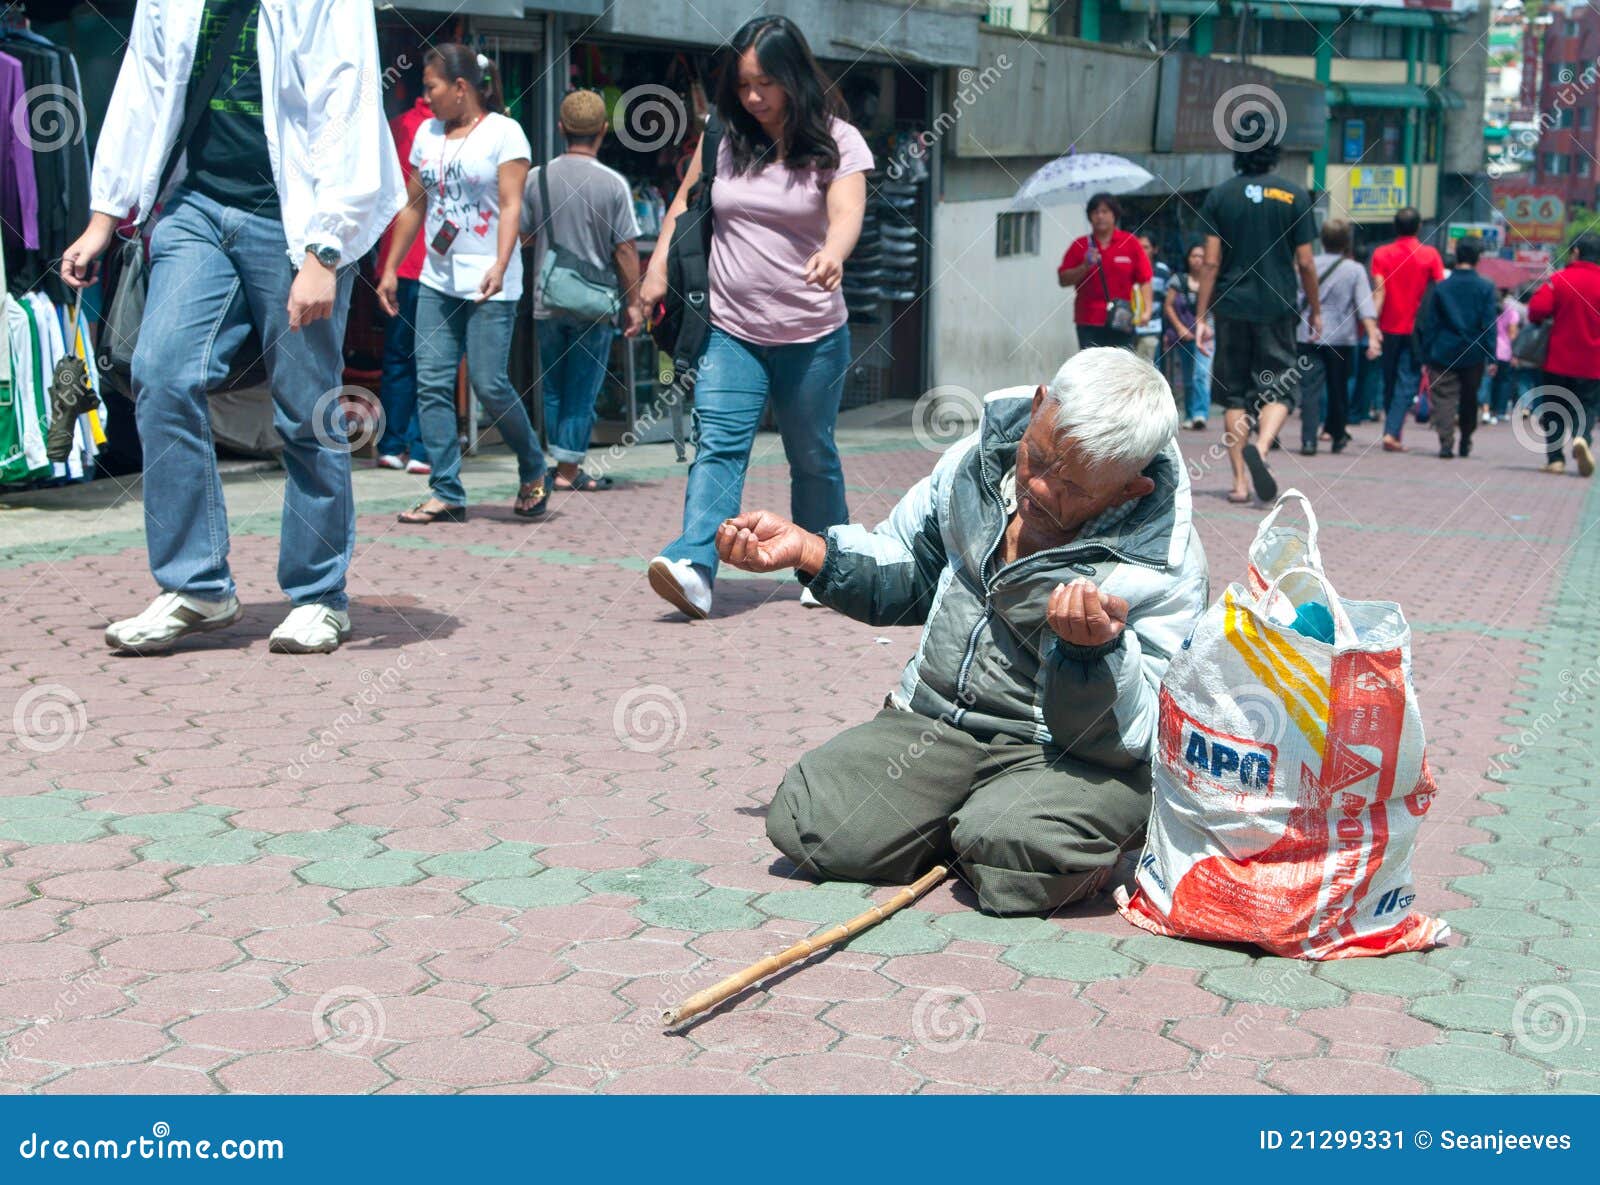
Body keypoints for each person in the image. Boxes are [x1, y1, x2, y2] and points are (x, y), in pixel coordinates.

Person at [715, 349, 1208, 915]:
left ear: (1128, 490)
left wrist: (1095, 657)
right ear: (1038, 407)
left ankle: (1008, 829)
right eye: (1037, 457)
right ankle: (967, 824)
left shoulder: (1164, 567)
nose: (1040, 489)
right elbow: (910, 565)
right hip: (934, 728)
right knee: (812, 820)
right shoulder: (970, 468)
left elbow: (1144, 731)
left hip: (1061, 757)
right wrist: (809, 551)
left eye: (1074, 487)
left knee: (1020, 853)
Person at [63, 0, 404, 656]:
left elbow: (349, 97)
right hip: (196, 205)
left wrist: (326, 248)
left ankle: (319, 594)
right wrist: (105, 215)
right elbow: (144, 84)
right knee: (161, 374)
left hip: (297, 216)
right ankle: (196, 584)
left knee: (306, 409)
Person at [641, 15, 870, 619]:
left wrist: (833, 253)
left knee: (811, 453)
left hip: (813, 333)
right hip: (730, 330)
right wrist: (656, 268)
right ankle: (694, 567)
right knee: (717, 445)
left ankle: (826, 566)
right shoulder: (723, 135)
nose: (753, 97)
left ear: (794, 77)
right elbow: (684, 204)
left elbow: (848, 211)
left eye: (766, 83)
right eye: (743, 84)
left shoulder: (838, 140)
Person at [378, 45, 544, 524]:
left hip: (491, 280)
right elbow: (414, 205)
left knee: (490, 383)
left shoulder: (505, 133)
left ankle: (533, 465)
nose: (426, 96)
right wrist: (390, 268)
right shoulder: (428, 134)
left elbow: (511, 205)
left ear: (460, 87)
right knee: (432, 382)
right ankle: (446, 490)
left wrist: (502, 262)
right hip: (437, 278)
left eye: (431, 87)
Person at [522, 89, 643, 493]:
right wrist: (634, 303)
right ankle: (569, 470)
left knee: (554, 386)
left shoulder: (536, 178)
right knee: (583, 388)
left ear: (561, 128)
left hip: (548, 299)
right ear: (603, 130)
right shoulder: (613, 184)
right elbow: (625, 250)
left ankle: (559, 463)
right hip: (594, 304)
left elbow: (523, 235)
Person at [1194, 136, 1320, 504]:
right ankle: (1262, 448)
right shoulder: (1294, 196)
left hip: (1231, 306)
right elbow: (1306, 262)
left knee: (1234, 395)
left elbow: (1211, 262)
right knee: (1281, 387)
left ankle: (1238, 484)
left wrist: (1201, 316)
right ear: (1274, 156)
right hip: (1277, 306)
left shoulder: (1220, 197)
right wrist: (1316, 309)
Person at [374, 88, 435, 476]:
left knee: (397, 356)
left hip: (396, 260)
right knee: (433, 362)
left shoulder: (396, 127)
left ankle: (392, 444)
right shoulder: (451, 132)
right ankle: (422, 448)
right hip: (435, 264)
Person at [1296, 219, 1380, 456]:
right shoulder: (1354, 269)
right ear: (1346, 242)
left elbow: (1296, 299)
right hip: (1342, 337)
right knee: (1339, 387)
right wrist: (1372, 334)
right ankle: (1338, 435)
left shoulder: (1307, 264)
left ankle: (1308, 440)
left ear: (1322, 240)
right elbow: (1364, 305)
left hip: (1308, 334)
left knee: (1310, 389)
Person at [1415, 238, 1498, 459]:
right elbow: (1489, 324)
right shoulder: (1486, 287)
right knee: (1470, 397)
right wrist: (1492, 356)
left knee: (1444, 398)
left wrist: (1425, 354)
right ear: (1478, 258)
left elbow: (1430, 323)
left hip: (1443, 350)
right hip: (1474, 352)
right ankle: (1466, 438)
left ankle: (1446, 441)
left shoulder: (1441, 287)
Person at [1371, 206, 1445, 453]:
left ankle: (1391, 430)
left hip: (1387, 325)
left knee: (1389, 379)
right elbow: (1439, 291)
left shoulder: (1381, 254)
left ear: (1395, 226)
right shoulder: (1430, 255)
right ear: (1419, 227)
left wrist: (1371, 325)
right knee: (1409, 380)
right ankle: (1392, 432)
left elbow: (1379, 291)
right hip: (1416, 328)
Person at [1527, 233, 1600, 477]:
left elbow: (1536, 310)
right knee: (1587, 406)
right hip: (1593, 362)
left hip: (1558, 359)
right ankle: (1582, 438)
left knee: (1554, 406)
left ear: (1576, 252)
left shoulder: (1559, 280)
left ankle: (1556, 459)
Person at [1057, 194, 1152, 351]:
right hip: (1089, 320)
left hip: (1122, 318)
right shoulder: (1080, 245)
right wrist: (1085, 266)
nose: (1100, 216)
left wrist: (1147, 311)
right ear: (1089, 217)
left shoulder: (1130, 243)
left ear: (1114, 215)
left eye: (1105, 211)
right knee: (1092, 365)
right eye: (1095, 212)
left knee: (1121, 364)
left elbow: (1145, 279)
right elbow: (1063, 280)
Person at [1164, 242, 1212, 430]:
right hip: (1184, 334)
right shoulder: (1178, 280)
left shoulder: (1212, 280)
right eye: (1194, 256)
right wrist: (1179, 328)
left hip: (1206, 334)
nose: (1198, 260)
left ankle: (1200, 413)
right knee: (1187, 377)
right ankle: (1190, 414)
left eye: (1201, 256)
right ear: (1188, 259)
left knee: (1201, 373)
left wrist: (1210, 327)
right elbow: (1168, 305)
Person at [1487, 286, 1524, 425]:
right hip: (1505, 351)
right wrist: (1515, 353)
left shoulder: (1488, 309)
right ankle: (1501, 411)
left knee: (1490, 381)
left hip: (1489, 349)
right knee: (1504, 381)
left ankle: (1489, 409)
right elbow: (1513, 334)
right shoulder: (1511, 311)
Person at [1135, 231, 1169, 367]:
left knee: (1149, 369)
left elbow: (1167, 302)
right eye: (1139, 247)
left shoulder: (1162, 271)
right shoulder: (1129, 268)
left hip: (1152, 328)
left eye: (1146, 247)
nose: (1142, 250)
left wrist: (1167, 330)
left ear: (1155, 249)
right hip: (1128, 328)